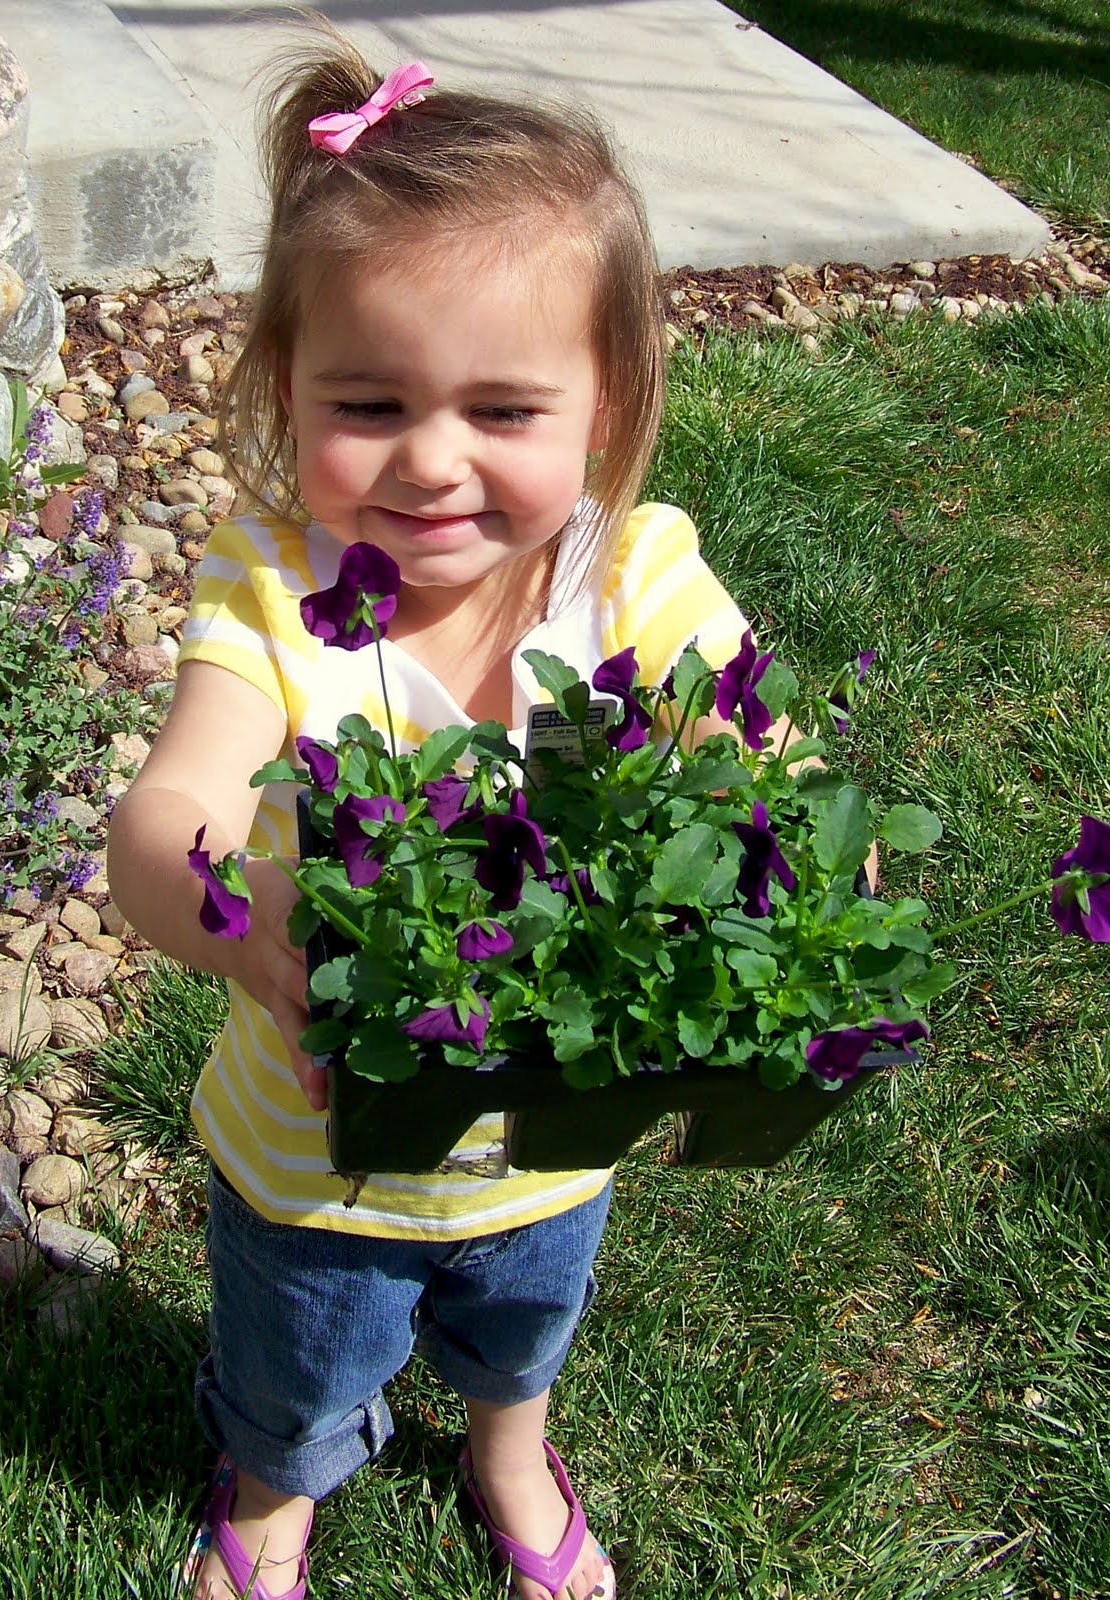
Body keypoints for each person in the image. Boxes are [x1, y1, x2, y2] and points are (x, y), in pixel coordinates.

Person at [107, 20, 761, 1600]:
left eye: (505, 411)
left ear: (607, 402)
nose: (434, 463)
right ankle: (275, 1481)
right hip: (314, 1157)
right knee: (298, 1357)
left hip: (554, 1135)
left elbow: (757, 738)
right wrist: (238, 911)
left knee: (523, 1327)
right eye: (371, 402)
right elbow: (170, 806)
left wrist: (793, 827)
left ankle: (507, 1449)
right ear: (285, 385)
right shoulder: (274, 591)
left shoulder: (634, 577)